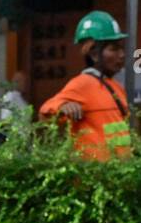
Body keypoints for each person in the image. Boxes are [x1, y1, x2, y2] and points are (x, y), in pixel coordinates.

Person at [38, 11, 132, 160]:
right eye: (114, 49)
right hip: (93, 179)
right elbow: (45, 112)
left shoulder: (116, 86)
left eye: (121, 48)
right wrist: (63, 106)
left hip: (121, 177)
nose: (121, 55)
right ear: (94, 53)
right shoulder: (83, 83)